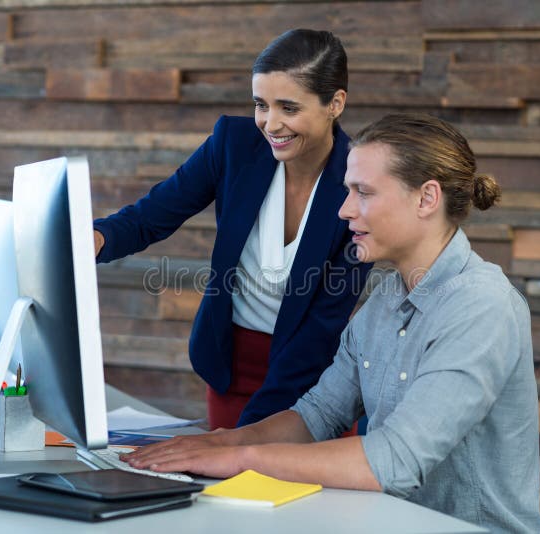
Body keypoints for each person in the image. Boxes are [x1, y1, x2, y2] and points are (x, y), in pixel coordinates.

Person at [121, 113, 540, 533]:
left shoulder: (481, 307)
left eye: (363, 192)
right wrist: (222, 442)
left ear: (426, 198)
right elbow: (317, 414)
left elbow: (394, 461)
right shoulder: (385, 300)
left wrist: (240, 460)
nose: (343, 210)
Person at [93, 29, 372, 429]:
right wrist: (96, 239)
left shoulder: (359, 180)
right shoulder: (233, 144)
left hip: (312, 382)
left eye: (288, 108)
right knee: (225, 489)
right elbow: (152, 214)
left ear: (335, 103)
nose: (270, 124)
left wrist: (243, 438)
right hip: (230, 367)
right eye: (262, 104)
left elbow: (324, 324)